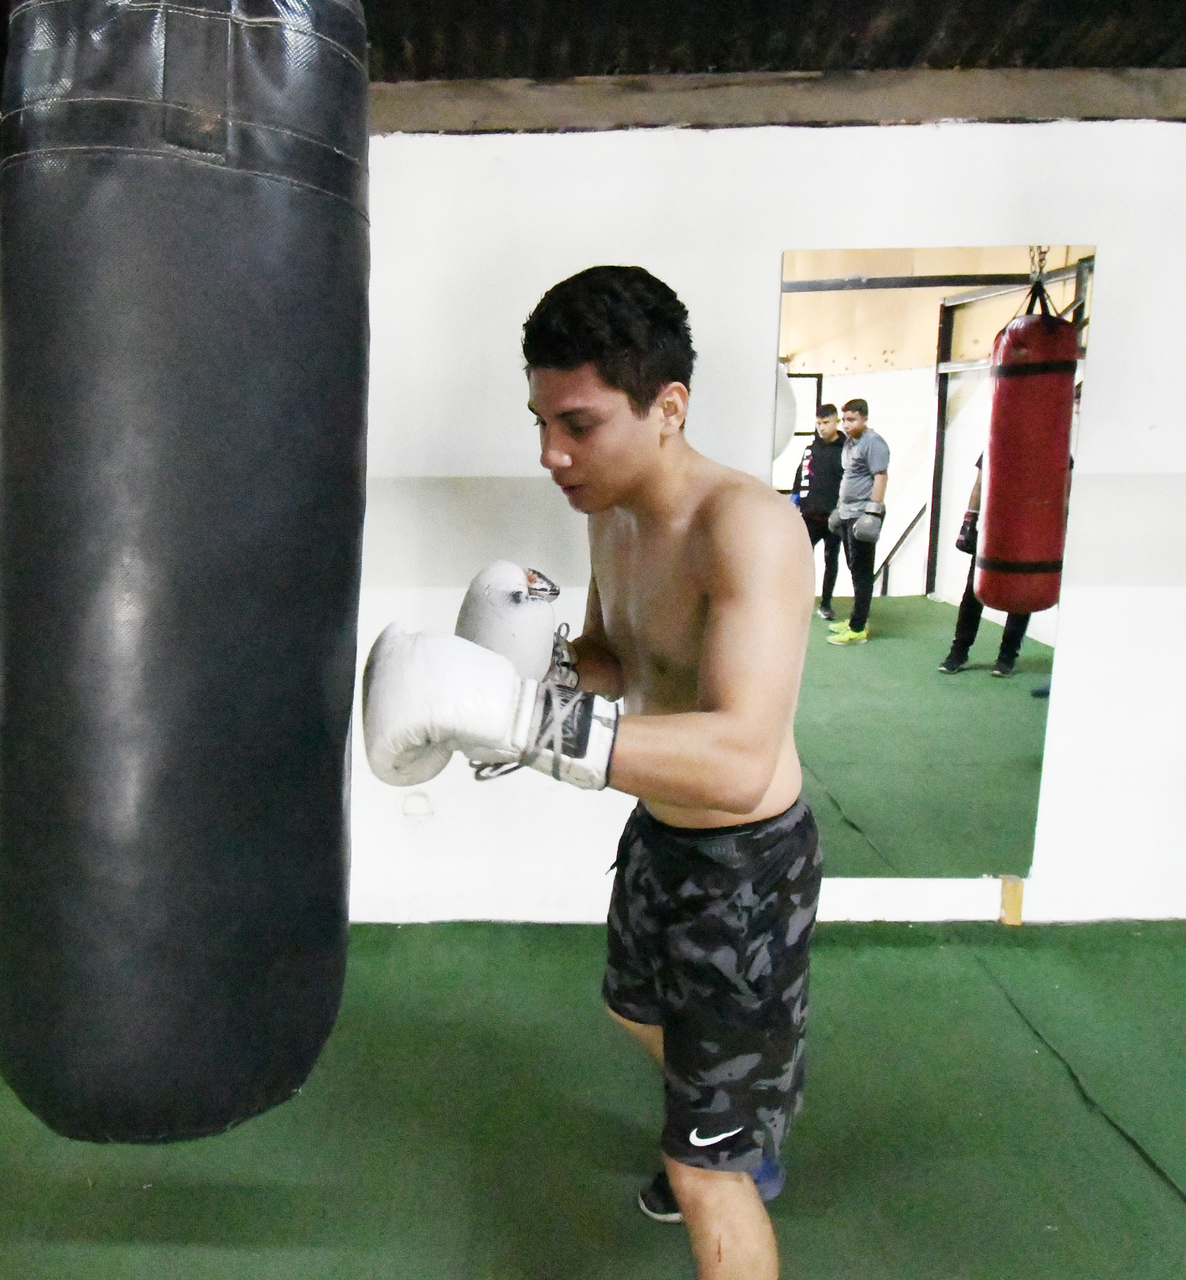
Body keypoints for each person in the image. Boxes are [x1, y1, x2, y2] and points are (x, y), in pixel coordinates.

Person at [362, 266, 821, 1280]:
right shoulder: (609, 511)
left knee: (705, 1175)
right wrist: (540, 666)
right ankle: (732, 1103)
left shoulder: (746, 527)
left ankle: (728, 1133)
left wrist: (527, 718)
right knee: (632, 1006)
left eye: (577, 423)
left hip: (745, 862)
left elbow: (742, 755)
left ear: (668, 408)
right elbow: (622, 659)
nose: (550, 454)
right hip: (661, 830)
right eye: (540, 422)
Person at [940, 464, 1031, 677]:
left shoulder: (1050, 445)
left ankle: (1007, 656)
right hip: (994, 528)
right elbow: (980, 483)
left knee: (1021, 594)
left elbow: (1064, 487)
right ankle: (959, 652)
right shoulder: (998, 438)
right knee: (974, 590)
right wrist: (969, 521)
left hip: (1029, 531)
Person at [823, 399, 889, 644]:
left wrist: (873, 513)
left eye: (852, 420)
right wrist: (840, 508)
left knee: (862, 573)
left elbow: (880, 477)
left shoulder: (873, 443)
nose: (847, 425)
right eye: (845, 420)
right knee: (854, 568)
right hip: (849, 513)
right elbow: (850, 478)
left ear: (864, 418)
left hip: (863, 514)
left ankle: (858, 628)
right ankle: (856, 619)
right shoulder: (850, 443)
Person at [790, 405, 848, 620]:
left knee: (831, 561)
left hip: (834, 518)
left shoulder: (846, 449)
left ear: (836, 422)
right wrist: (795, 498)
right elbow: (801, 475)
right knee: (802, 560)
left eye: (826, 423)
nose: (822, 428)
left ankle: (825, 604)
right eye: (819, 423)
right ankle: (799, 601)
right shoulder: (811, 450)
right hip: (810, 516)